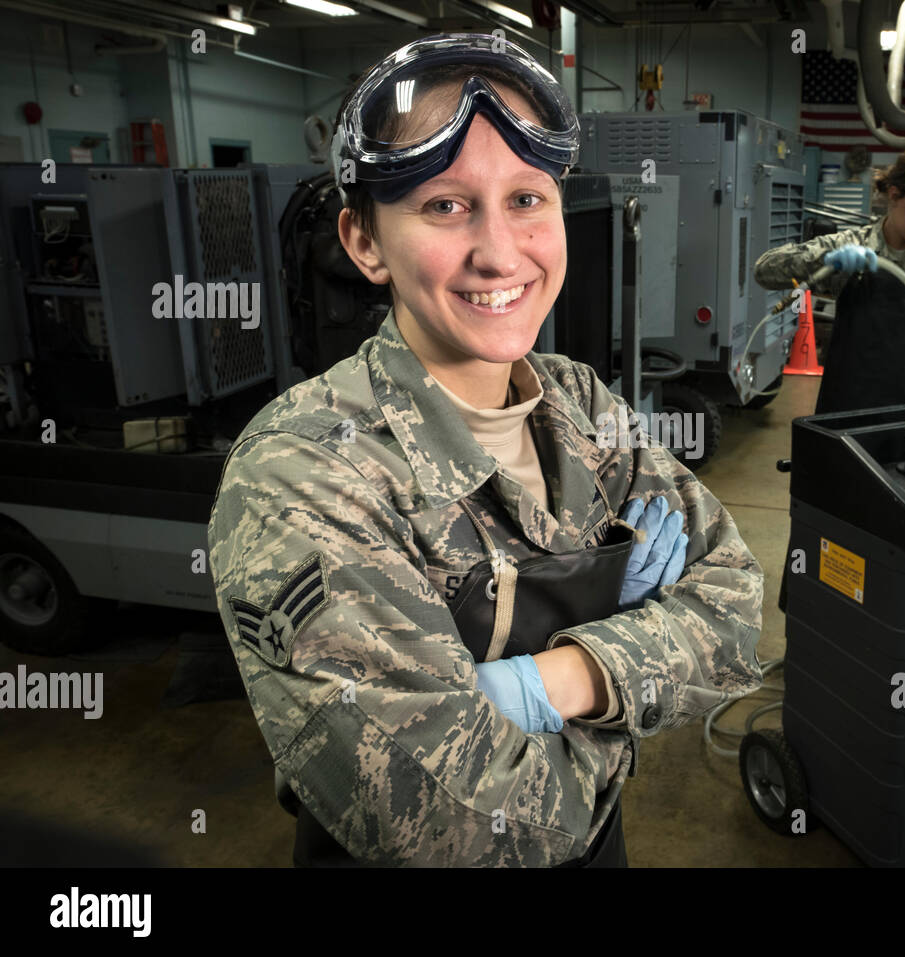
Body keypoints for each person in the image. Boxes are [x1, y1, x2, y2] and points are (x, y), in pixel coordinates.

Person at [206, 33, 764, 868]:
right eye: (444, 205)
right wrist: (643, 677)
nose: (501, 254)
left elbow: (739, 611)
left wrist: (559, 682)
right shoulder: (304, 474)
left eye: (528, 200)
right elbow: (449, 825)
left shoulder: (576, 400)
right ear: (364, 242)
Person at [754, 147, 905, 413]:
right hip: (846, 406)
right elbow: (764, 271)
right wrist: (826, 259)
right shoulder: (851, 246)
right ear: (895, 194)